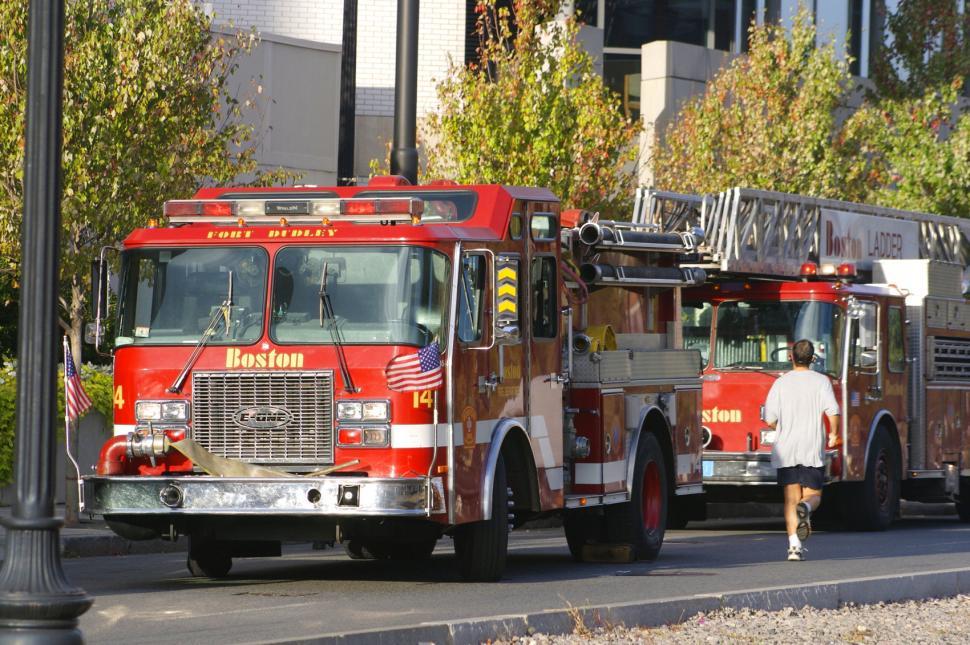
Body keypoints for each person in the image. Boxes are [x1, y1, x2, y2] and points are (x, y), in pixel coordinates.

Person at [764, 339, 840, 562]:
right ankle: (806, 508)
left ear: (791, 357)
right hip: (811, 446)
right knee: (813, 495)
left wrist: (785, 428)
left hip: (785, 448)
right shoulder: (821, 381)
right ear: (813, 358)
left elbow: (769, 419)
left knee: (790, 498)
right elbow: (832, 410)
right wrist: (834, 434)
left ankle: (794, 547)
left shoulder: (780, 383)